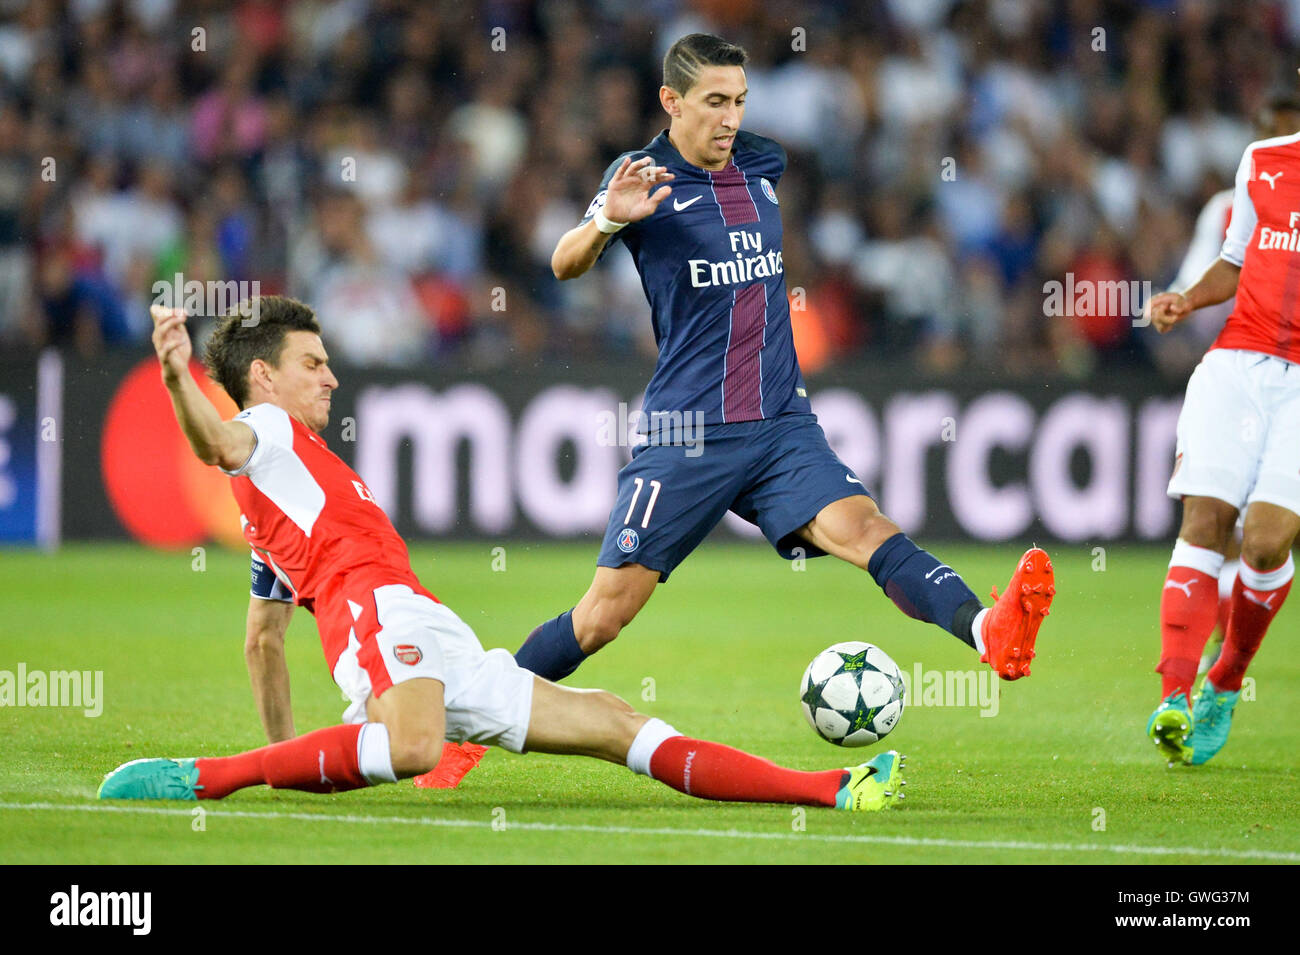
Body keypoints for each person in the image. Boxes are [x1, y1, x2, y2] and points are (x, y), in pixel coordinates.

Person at [97, 296, 906, 812]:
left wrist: (287, 765)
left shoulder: (282, 498)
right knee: (415, 748)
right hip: (379, 613)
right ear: (264, 377)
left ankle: (827, 790)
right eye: (315, 363)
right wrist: (177, 379)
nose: (333, 377)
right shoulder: (267, 431)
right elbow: (217, 441)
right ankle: (202, 775)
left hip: (430, 629)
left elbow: (262, 640)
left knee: (614, 720)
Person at [513, 34, 1054, 691]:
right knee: (602, 618)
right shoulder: (641, 176)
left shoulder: (762, 163)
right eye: (714, 102)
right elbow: (564, 262)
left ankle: (987, 630)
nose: (731, 118)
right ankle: (474, 716)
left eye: (739, 101)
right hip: (691, 431)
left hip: (778, 423)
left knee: (867, 528)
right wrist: (605, 224)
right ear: (671, 102)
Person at [1144, 114, 1300, 766]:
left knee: (1266, 542)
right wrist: (1187, 297)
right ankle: (1174, 695)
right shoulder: (1262, 160)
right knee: (1204, 518)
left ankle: (1227, 677)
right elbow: (1235, 260)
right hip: (1236, 362)